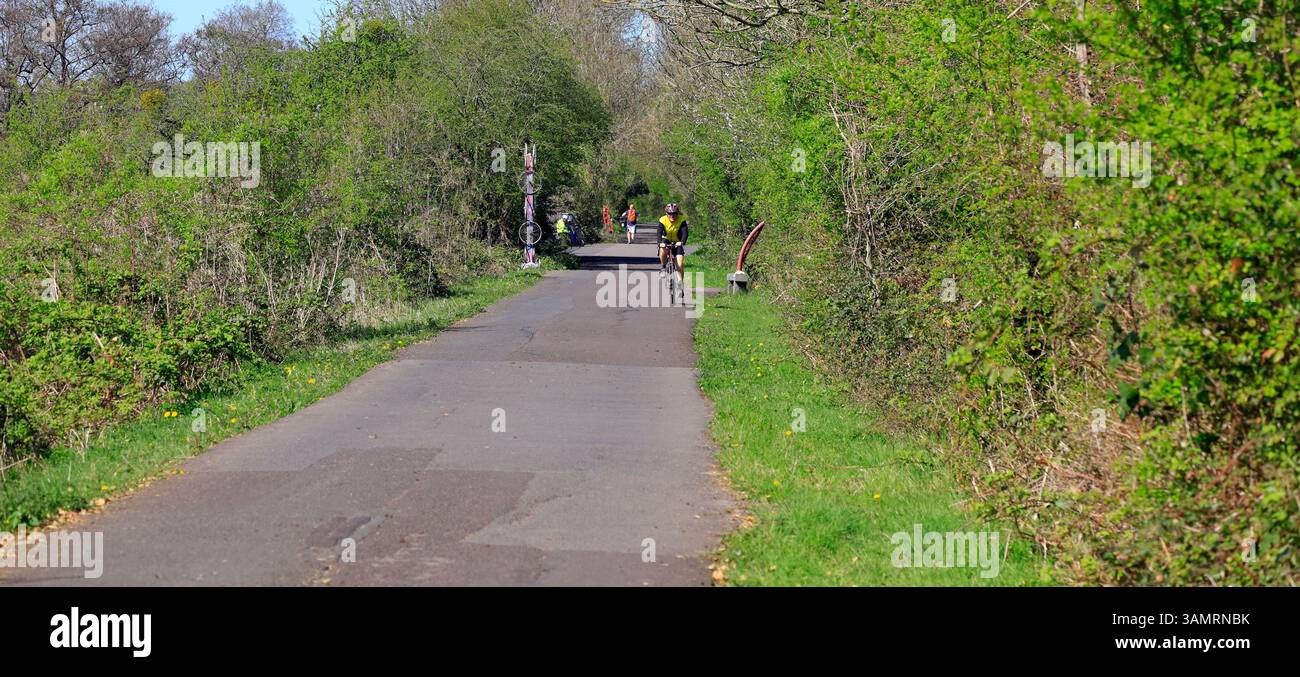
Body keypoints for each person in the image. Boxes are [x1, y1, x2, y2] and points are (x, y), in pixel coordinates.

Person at [657, 202, 688, 286]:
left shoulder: (682, 219)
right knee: (663, 249)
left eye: (674, 213)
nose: (672, 216)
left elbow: (685, 233)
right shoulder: (662, 219)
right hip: (666, 240)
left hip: (677, 242)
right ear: (666, 213)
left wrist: (682, 242)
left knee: (680, 264)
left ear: (677, 213)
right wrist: (659, 243)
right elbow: (659, 233)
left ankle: (680, 283)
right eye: (670, 214)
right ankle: (663, 267)